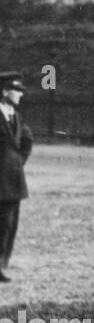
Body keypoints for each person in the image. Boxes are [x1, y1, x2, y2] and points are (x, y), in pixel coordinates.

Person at [0, 71, 33, 283]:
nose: (20, 94)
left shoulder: (16, 115)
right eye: (16, 90)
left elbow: (28, 139)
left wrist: (18, 161)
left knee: (9, 225)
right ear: (4, 91)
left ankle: (1, 264)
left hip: (12, 180)